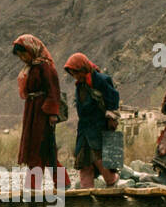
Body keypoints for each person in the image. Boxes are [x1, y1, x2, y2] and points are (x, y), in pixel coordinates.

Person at [13, 34, 69, 190]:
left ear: (32, 50)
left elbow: (53, 90)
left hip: (42, 114)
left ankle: (54, 183)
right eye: (20, 56)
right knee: (35, 148)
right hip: (32, 112)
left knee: (43, 148)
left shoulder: (45, 67)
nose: (22, 58)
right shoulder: (32, 67)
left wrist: (52, 114)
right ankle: (35, 186)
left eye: (23, 54)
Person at [63, 52, 120, 188]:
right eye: (73, 74)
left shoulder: (101, 79)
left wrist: (111, 118)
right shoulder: (80, 85)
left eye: (76, 73)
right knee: (83, 160)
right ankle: (86, 190)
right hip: (84, 128)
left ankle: (112, 184)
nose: (75, 77)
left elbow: (113, 97)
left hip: (99, 126)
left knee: (101, 159)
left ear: (83, 69)